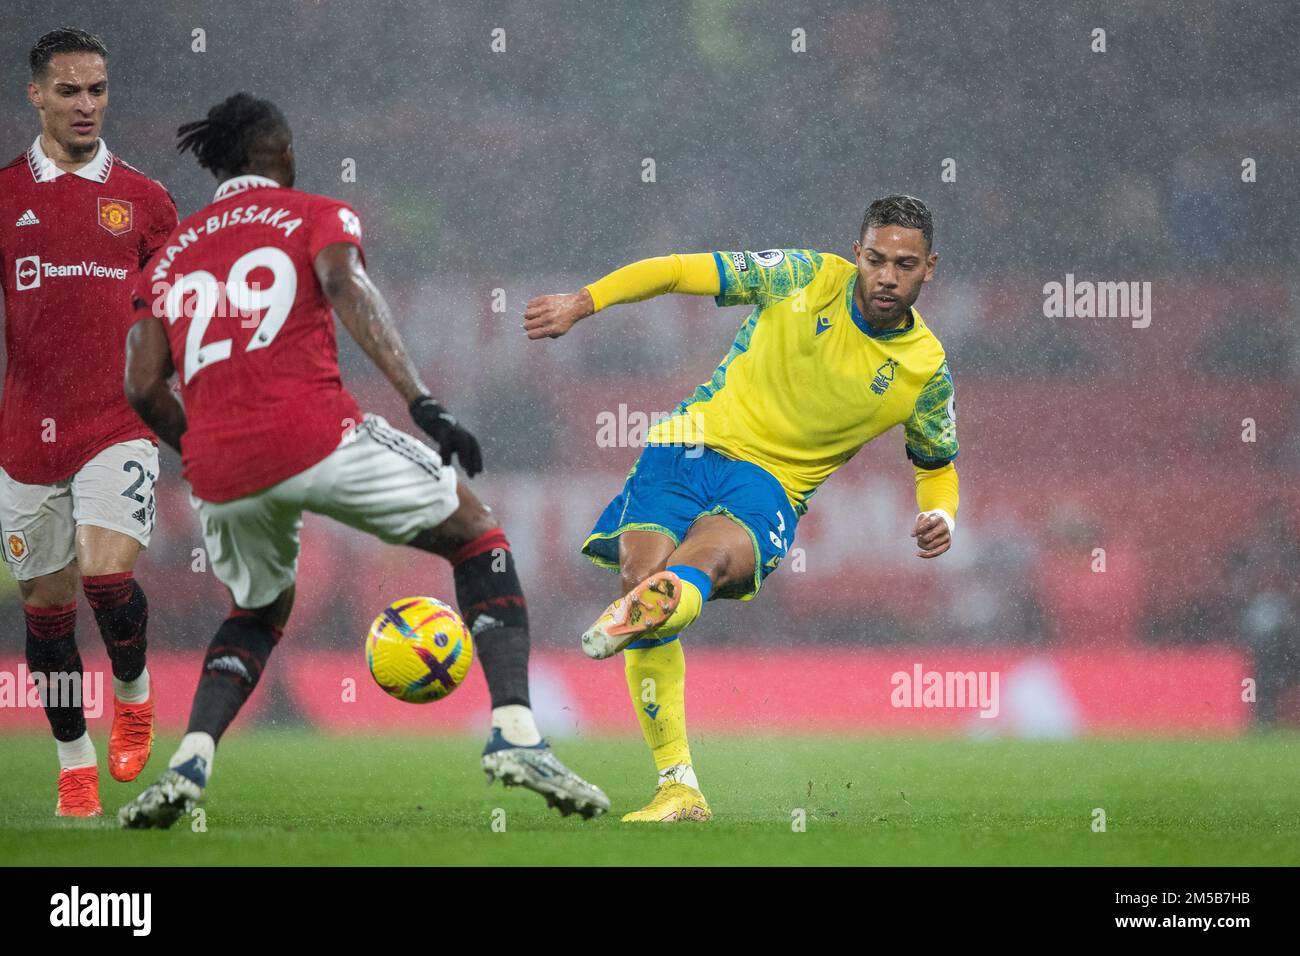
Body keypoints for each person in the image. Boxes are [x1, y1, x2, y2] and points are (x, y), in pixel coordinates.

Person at [117, 93, 607, 828]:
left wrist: (209, 446)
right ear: (270, 152)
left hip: (219, 469)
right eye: (287, 142)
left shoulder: (170, 255)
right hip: (315, 431)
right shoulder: (315, 213)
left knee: (256, 611)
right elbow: (346, 285)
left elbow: (141, 387)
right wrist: (423, 402)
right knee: (478, 535)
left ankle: (188, 763)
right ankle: (516, 734)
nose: (295, 154)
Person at [524, 196, 960, 821]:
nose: (886, 277)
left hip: (771, 485)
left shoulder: (926, 369)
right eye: (874, 259)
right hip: (686, 445)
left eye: (904, 264)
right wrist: (582, 302)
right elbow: (679, 270)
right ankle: (678, 786)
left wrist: (941, 516)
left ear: (930, 269)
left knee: (698, 567)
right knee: (639, 580)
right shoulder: (802, 275)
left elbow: (937, 467)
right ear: (855, 252)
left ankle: (672, 600)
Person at [0, 28, 177, 816]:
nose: (85, 105)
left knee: (107, 574)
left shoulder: (145, 201)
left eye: (97, 90)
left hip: (117, 420)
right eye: (68, 90)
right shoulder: (5, 197)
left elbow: (180, 313)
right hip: (27, 428)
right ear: (35, 93)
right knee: (44, 604)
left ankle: (134, 696)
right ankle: (73, 760)